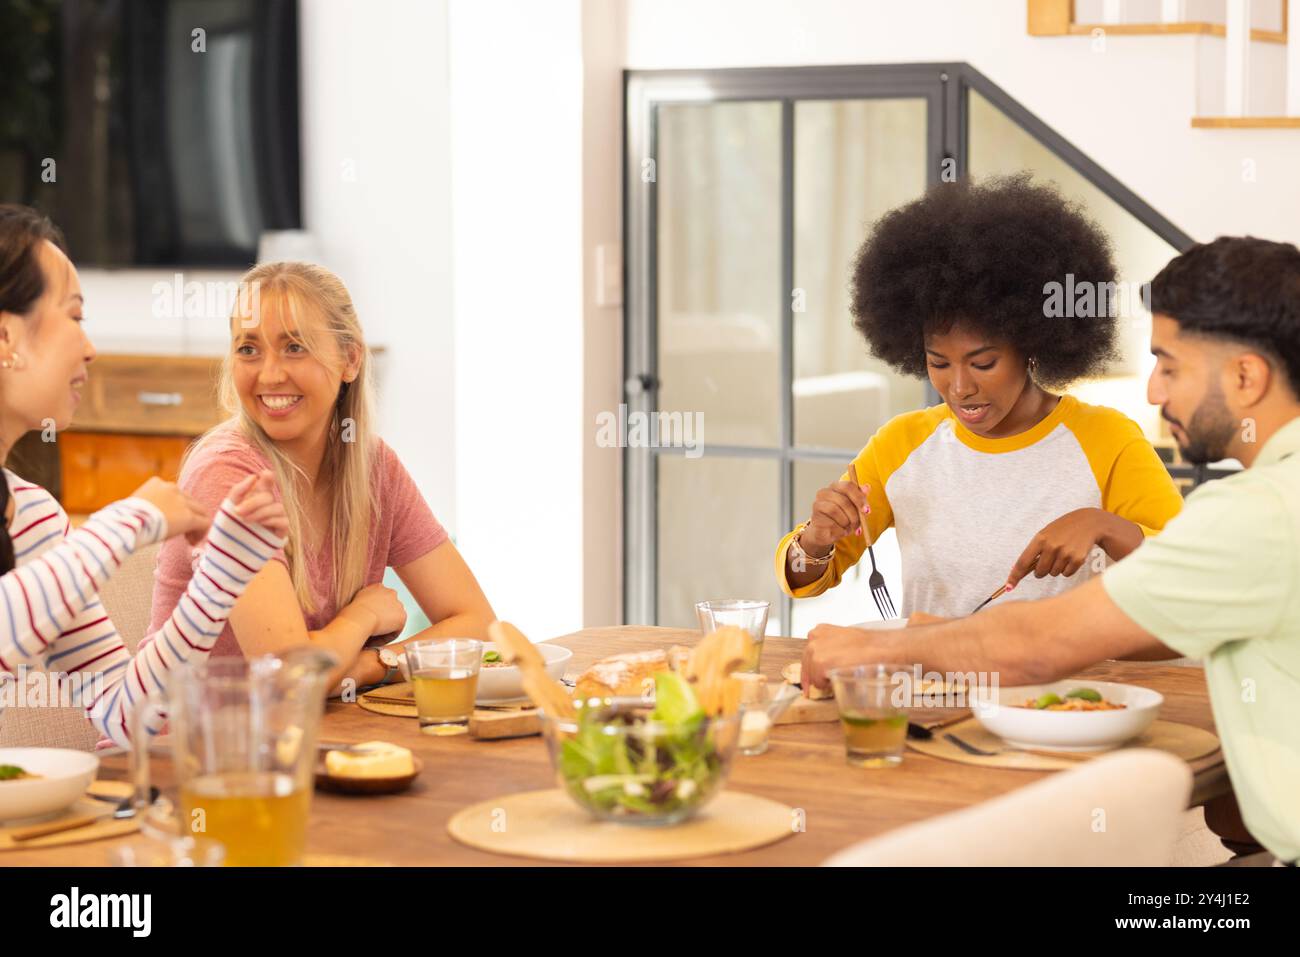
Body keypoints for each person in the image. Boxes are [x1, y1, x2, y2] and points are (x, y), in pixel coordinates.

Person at [802, 236, 1300, 865]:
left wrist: (880, 646)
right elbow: (1175, 626)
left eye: (1170, 366)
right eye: (939, 362)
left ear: (1246, 376)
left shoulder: (1258, 514)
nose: (1152, 391)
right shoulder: (1273, 500)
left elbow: (1046, 647)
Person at [776, 175, 1183, 620]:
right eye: (939, 363)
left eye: (983, 363)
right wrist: (815, 541)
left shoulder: (1106, 439)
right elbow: (808, 579)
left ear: (1032, 344)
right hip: (931, 685)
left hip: (1061, 688)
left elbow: (1185, 572)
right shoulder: (901, 445)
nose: (959, 387)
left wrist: (1106, 527)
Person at [0, 203, 288, 747]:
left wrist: (218, 578)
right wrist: (129, 521)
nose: (90, 349)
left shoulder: (34, 519)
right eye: (75, 317)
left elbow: (126, 718)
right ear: (6, 338)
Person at [150, 261, 494, 694]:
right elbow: (291, 679)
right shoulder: (226, 474)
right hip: (190, 752)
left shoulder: (372, 468)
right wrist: (362, 617)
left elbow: (479, 625)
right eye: (248, 349)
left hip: (312, 738)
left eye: (295, 347)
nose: (270, 374)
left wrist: (373, 665)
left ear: (349, 358)